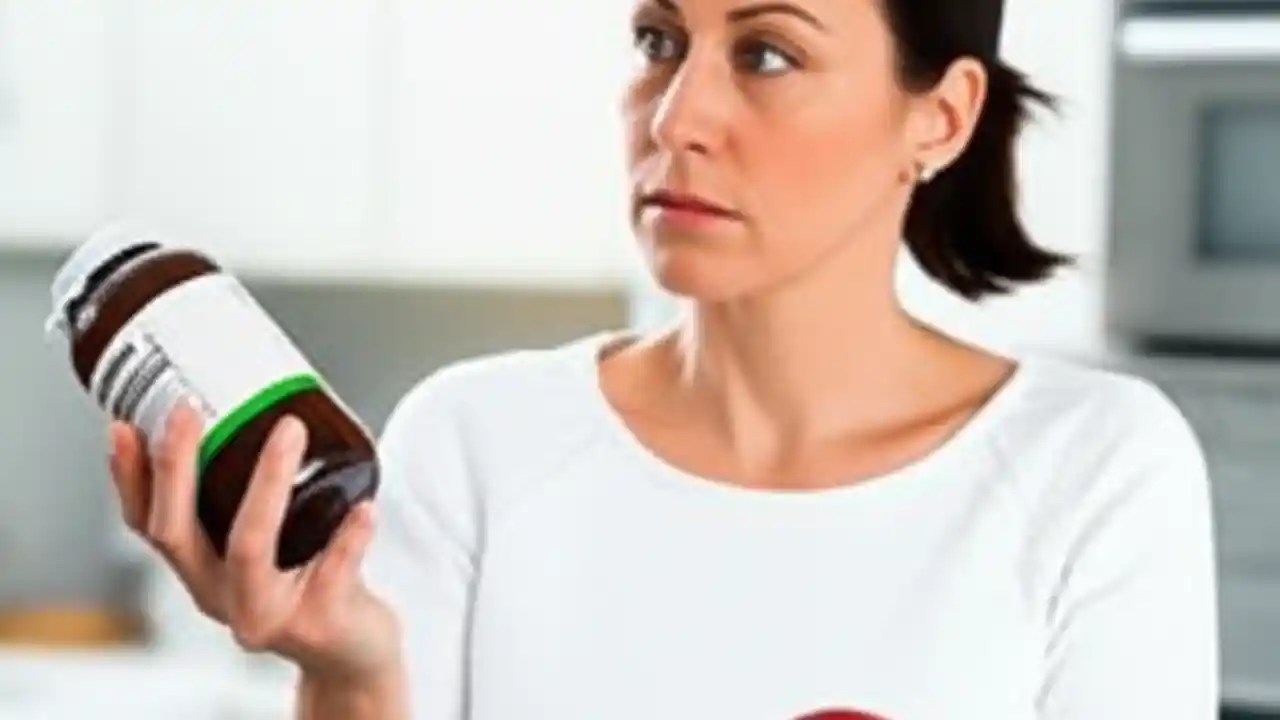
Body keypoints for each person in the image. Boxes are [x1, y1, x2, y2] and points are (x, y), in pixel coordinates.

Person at [106, 0, 1220, 717]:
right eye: (657, 42)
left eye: (768, 53)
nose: (677, 115)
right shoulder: (475, 441)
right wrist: (344, 670)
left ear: (938, 117)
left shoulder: (1091, 470)